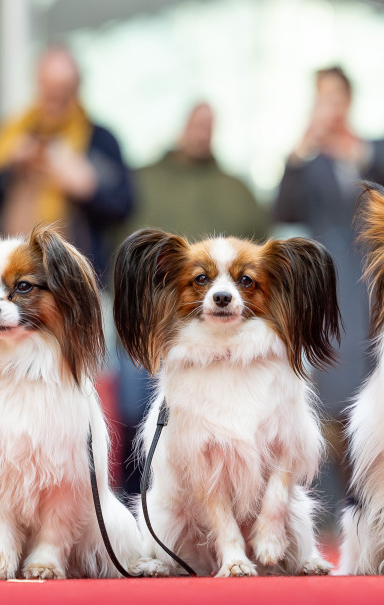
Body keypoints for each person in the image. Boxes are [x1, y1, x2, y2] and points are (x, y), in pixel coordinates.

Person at [114, 102, 268, 495]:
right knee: (136, 410)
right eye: (196, 122)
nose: (202, 131)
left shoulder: (237, 189)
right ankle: (139, 503)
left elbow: (262, 254)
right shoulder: (140, 178)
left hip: (218, 326)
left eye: (209, 124)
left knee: (212, 418)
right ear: (182, 124)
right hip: (149, 315)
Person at [273, 66, 384, 426]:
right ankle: (339, 471)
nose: (328, 107)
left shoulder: (378, 149)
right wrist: (297, 154)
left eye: (334, 98)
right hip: (333, 283)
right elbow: (283, 210)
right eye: (321, 99)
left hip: (378, 280)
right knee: (337, 390)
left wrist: (357, 153)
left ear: (348, 101)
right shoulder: (307, 165)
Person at [0, 46, 134, 277]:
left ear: (77, 88)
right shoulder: (11, 133)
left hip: (74, 277)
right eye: (49, 88)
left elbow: (125, 206)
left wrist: (89, 189)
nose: (55, 97)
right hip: (14, 273)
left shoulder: (99, 139)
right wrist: (11, 166)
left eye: (63, 90)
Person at [132, 102, 268, 240]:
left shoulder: (237, 190)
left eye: (207, 128)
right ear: (184, 127)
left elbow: (260, 240)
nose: (202, 136)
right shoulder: (143, 180)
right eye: (197, 126)